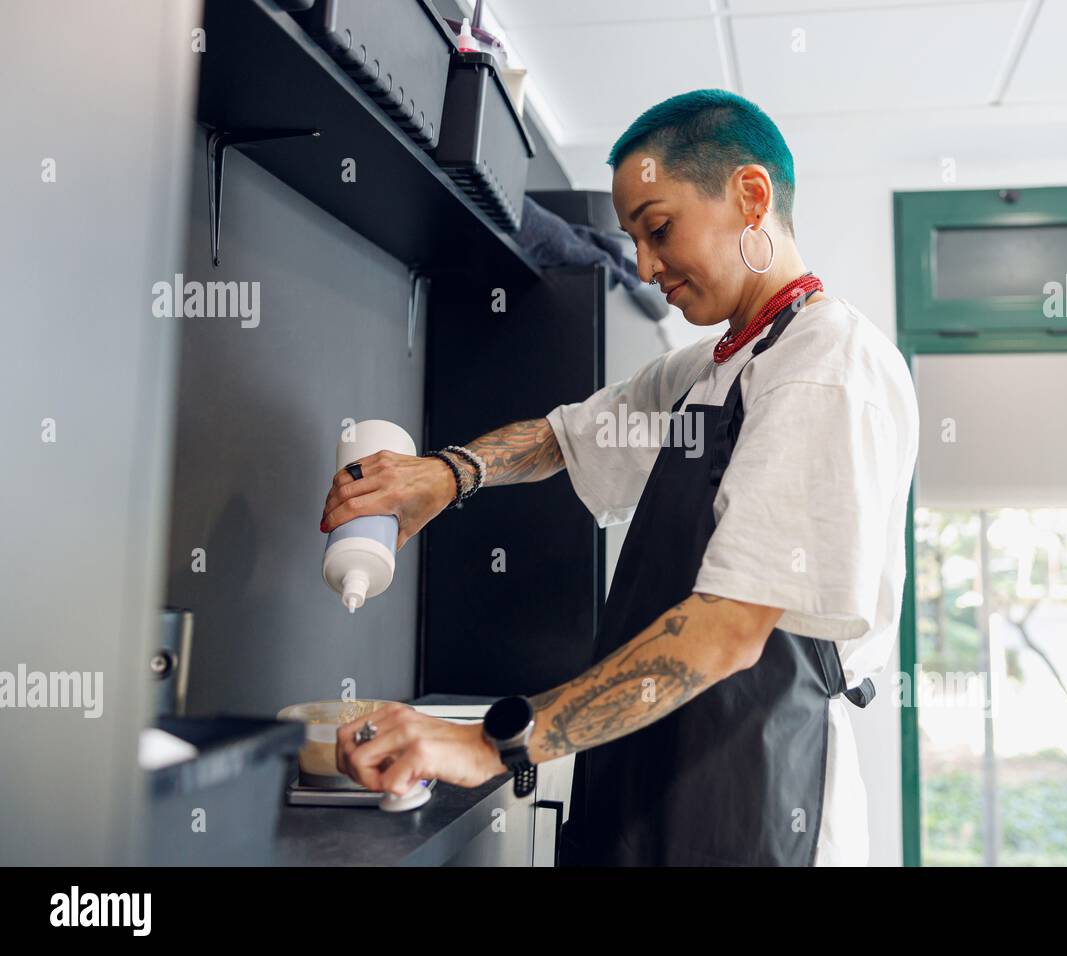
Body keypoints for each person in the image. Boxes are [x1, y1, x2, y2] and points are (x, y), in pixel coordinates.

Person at [321, 88, 919, 866]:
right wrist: (445, 475)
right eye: (634, 238)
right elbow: (567, 438)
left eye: (659, 229)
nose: (643, 265)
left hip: (759, 798)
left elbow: (733, 627)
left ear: (750, 196)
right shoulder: (716, 363)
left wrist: (494, 746)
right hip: (648, 771)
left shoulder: (824, 366)